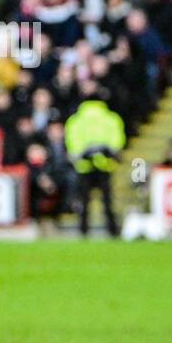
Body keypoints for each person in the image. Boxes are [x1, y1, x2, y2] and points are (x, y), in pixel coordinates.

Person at [65, 94, 126, 238]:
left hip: (84, 166)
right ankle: (112, 231)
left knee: (84, 201)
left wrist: (83, 154)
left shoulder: (75, 120)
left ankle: (83, 231)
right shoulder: (111, 118)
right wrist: (105, 152)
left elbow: (72, 142)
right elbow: (117, 141)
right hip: (105, 165)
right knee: (108, 201)